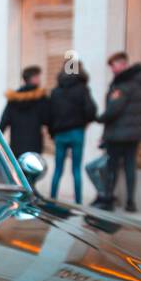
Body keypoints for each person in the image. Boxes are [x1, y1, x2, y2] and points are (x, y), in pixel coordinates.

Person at [94, 52, 141, 212]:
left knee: (113, 167)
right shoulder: (139, 82)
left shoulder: (122, 85)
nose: (112, 70)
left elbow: (113, 110)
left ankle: (108, 199)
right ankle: (130, 202)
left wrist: (99, 119)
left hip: (118, 134)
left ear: (122, 64)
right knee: (130, 166)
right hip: (134, 134)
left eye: (113, 65)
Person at [46, 61, 98, 201]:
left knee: (58, 169)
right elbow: (91, 110)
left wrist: (52, 132)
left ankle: (52, 199)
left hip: (60, 134)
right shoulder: (82, 89)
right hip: (76, 132)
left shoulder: (56, 91)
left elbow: (49, 115)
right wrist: (85, 122)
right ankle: (78, 202)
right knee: (76, 169)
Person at [0, 66, 50, 158]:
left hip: (16, 144)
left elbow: (4, 121)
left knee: (17, 171)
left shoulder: (14, 98)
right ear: (33, 78)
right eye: (38, 77)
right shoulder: (41, 98)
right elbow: (47, 118)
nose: (39, 80)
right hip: (34, 143)